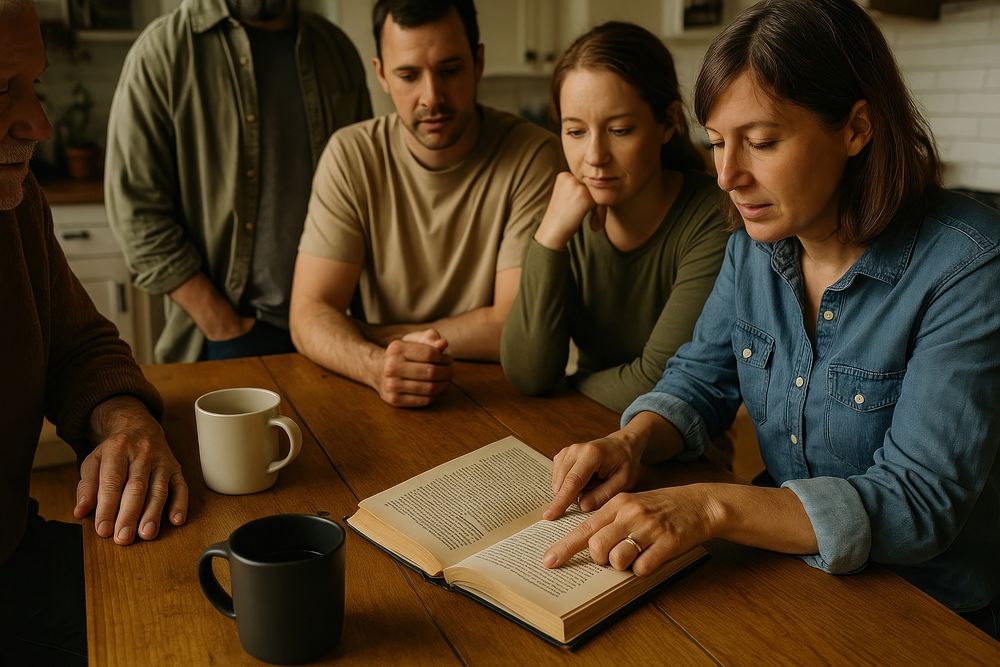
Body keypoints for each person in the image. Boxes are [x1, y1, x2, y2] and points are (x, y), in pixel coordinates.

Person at [541, 0, 1000, 641]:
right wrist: (631, 442)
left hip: (930, 613)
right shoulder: (755, 245)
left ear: (856, 128)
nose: (728, 176)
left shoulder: (968, 264)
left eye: (761, 143)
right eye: (717, 143)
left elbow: (920, 502)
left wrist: (709, 505)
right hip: (784, 574)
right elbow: (700, 379)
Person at [0, 2, 189, 662]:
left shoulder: (16, 206)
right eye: (1, 89)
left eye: (35, 86)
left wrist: (124, 421)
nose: (39, 124)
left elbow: (77, 346)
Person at [290, 0, 562, 408]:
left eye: (450, 70)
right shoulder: (351, 155)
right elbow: (308, 313)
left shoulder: (534, 155)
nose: (431, 96)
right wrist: (375, 366)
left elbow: (511, 324)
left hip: (502, 393)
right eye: (408, 75)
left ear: (479, 62)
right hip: (385, 388)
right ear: (381, 74)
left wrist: (376, 335)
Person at [105, 0, 372, 363]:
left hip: (334, 328)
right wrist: (221, 323)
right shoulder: (163, 51)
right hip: (227, 335)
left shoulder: (334, 48)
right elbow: (136, 210)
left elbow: (366, 183)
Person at [500, 22, 728, 414]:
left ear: (669, 123)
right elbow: (528, 375)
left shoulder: (711, 219)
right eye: (574, 132)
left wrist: (567, 386)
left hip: (678, 453)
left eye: (619, 130)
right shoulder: (559, 217)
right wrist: (548, 240)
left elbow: (659, 380)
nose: (595, 156)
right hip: (575, 432)